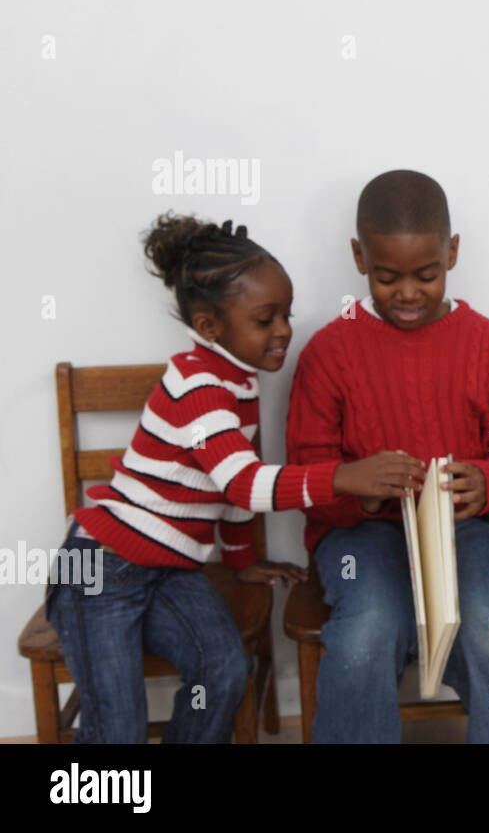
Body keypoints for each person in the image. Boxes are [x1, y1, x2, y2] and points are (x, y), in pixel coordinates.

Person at [44, 212, 425, 743]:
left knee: (224, 671)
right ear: (209, 327)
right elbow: (243, 484)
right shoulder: (198, 387)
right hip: (101, 567)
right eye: (265, 319)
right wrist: (343, 476)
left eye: (287, 314)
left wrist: (243, 561)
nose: (284, 330)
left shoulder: (239, 383)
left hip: (168, 571)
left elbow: (228, 492)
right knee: (116, 730)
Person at [286, 169, 489, 743]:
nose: (407, 293)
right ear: (359, 257)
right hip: (360, 535)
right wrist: (356, 485)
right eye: (387, 278)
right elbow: (306, 472)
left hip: (467, 530)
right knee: (367, 630)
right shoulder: (329, 352)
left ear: (452, 253)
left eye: (426, 275)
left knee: (485, 631)